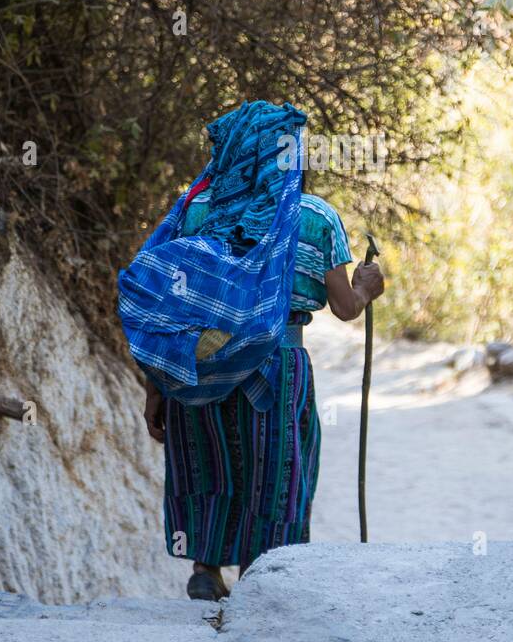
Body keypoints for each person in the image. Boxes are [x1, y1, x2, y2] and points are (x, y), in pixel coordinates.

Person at [141, 111, 385, 602]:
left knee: (207, 462)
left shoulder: (192, 211)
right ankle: (265, 573)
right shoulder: (314, 217)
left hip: (199, 364)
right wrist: (366, 285)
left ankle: (205, 569)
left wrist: (155, 390)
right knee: (277, 471)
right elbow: (344, 307)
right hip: (277, 365)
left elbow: (163, 309)